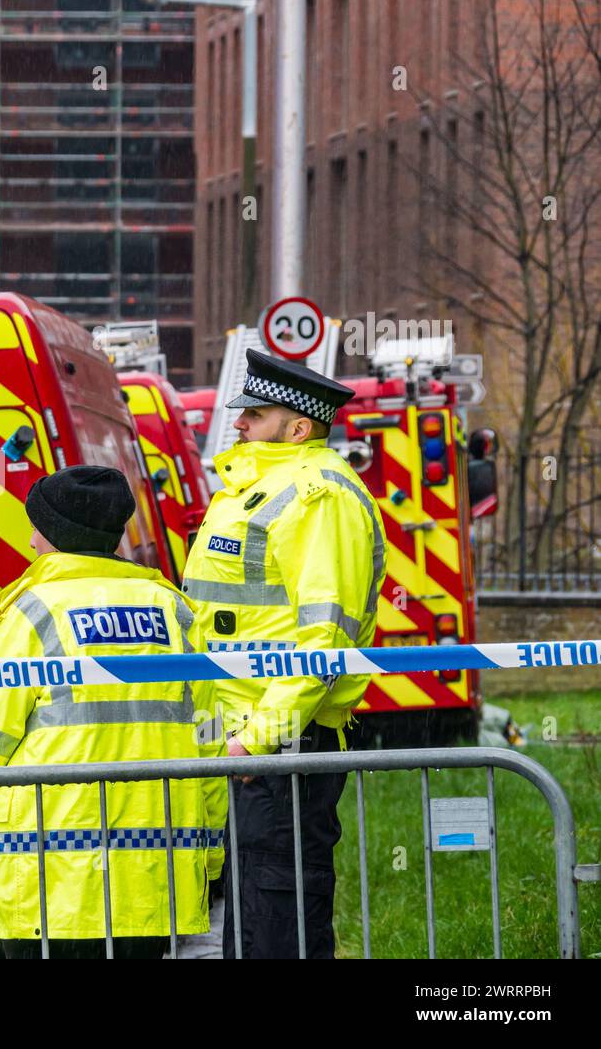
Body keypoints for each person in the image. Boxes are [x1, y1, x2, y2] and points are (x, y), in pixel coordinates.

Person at [0, 465, 225, 958]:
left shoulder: (34, 612)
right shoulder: (172, 611)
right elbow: (210, 743)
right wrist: (210, 857)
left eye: (37, 527)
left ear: (57, 534)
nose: (30, 541)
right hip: (150, 887)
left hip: (42, 891)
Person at [181, 349, 385, 959]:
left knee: (279, 913)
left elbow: (323, 637)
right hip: (246, 739)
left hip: (281, 745)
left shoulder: (318, 496)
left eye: (256, 413)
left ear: (299, 427)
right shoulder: (257, 487)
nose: (238, 422)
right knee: (256, 910)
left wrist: (261, 738)